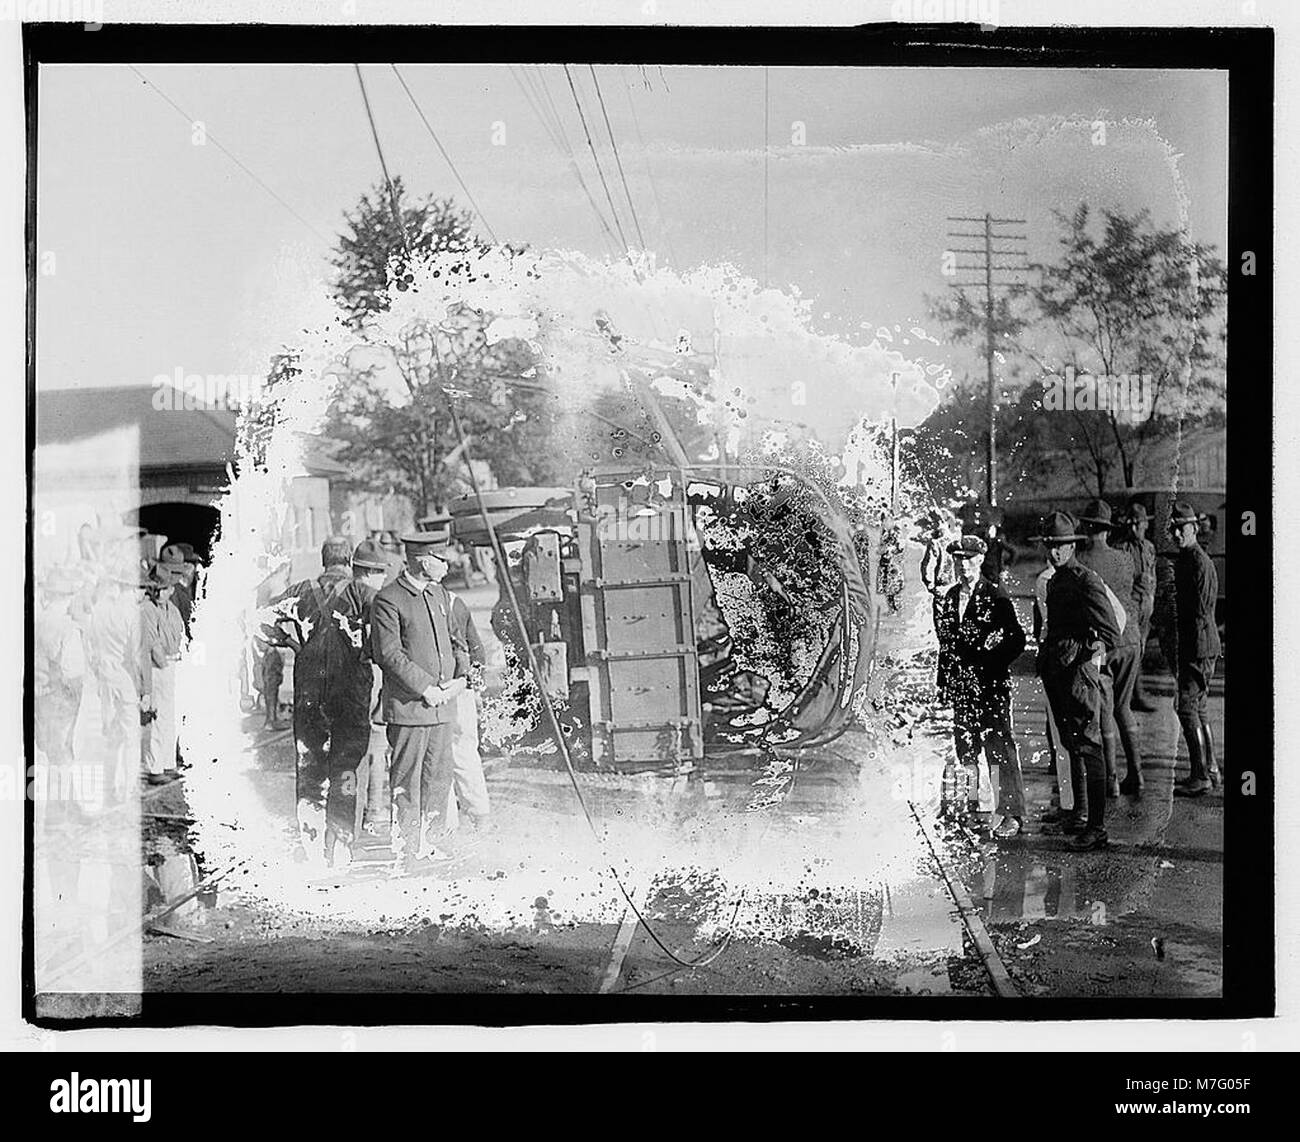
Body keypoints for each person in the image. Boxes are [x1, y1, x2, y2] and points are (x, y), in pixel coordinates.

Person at [370, 530, 468, 870]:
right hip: (412, 709)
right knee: (407, 784)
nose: (447, 564)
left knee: (439, 780)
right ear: (423, 561)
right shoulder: (389, 599)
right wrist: (427, 688)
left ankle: (435, 843)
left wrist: (461, 678)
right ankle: (407, 852)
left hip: (442, 708)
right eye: (441, 559)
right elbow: (389, 654)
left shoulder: (440, 594)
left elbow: (457, 640)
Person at [263, 536, 361, 867]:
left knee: (309, 767)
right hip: (350, 692)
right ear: (348, 560)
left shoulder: (300, 591)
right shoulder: (361, 592)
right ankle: (342, 844)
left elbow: (259, 621)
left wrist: (290, 642)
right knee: (345, 767)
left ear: (323, 560)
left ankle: (312, 845)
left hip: (308, 691)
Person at [1031, 512, 1122, 851]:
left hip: (1079, 674)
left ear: (1073, 545)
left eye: (1062, 546)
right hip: (1057, 671)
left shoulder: (1086, 580)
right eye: (1051, 546)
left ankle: (1097, 826)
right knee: (1071, 743)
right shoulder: (1054, 580)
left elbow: (1111, 630)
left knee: (1089, 744)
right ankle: (1080, 815)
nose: (1055, 552)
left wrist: (1088, 650)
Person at [934, 535, 1028, 839]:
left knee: (998, 749)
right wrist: (944, 683)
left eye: (969, 559)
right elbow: (946, 645)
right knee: (967, 750)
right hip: (962, 688)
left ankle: (1010, 813)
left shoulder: (995, 596)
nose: (963, 565)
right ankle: (975, 809)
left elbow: (1016, 640)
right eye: (958, 560)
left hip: (990, 688)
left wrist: (992, 661)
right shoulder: (950, 598)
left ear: (980, 560)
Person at [1076, 500, 1145, 799]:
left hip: (1101, 641)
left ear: (1088, 527)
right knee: (1123, 707)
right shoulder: (1125, 558)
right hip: (1131, 639)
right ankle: (1138, 775)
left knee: (1103, 707)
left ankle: (1111, 780)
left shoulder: (1081, 560)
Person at [1169, 501, 1222, 798]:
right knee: (1199, 708)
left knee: (1187, 708)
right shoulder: (1190, 559)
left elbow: (1198, 612)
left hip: (1198, 646)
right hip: (1200, 645)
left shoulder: (1197, 562)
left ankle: (1201, 774)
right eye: (1174, 529)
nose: (1177, 534)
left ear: (1194, 529)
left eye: (1182, 528)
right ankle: (1211, 768)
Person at [445, 567, 491, 835]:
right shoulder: (456, 603)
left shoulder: (417, 601)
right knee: (465, 753)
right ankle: (479, 814)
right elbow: (477, 651)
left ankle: (452, 821)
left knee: (444, 756)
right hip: (461, 687)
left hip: (445, 688)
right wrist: (477, 689)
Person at [34, 567, 87, 769]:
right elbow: (72, 672)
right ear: (68, 597)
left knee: (43, 750)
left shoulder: (36, 621)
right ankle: (62, 799)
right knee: (63, 752)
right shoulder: (68, 629)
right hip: (60, 697)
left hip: (39, 694)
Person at [139, 563, 187, 786]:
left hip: (174, 663)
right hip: (159, 668)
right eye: (157, 589)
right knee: (159, 718)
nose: (161, 593)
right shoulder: (147, 609)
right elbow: (151, 641)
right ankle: (155, 766)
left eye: (165, 589)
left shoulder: (173, 610)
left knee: (171, 718)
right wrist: (163, 662)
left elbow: (181, 634)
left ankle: (168, 763)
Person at [1115, 502, 1158, 712]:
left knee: (1141, 651)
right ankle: (1132, 695)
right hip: (1130, 606)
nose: (1135, 529)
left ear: (1145, 525)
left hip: (1146, 606)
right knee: (1132, 651)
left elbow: (1154, 577)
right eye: (1131, 524)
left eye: (1138, 524)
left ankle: (1134, 694)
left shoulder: (1150, 548)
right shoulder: (1122, 548)